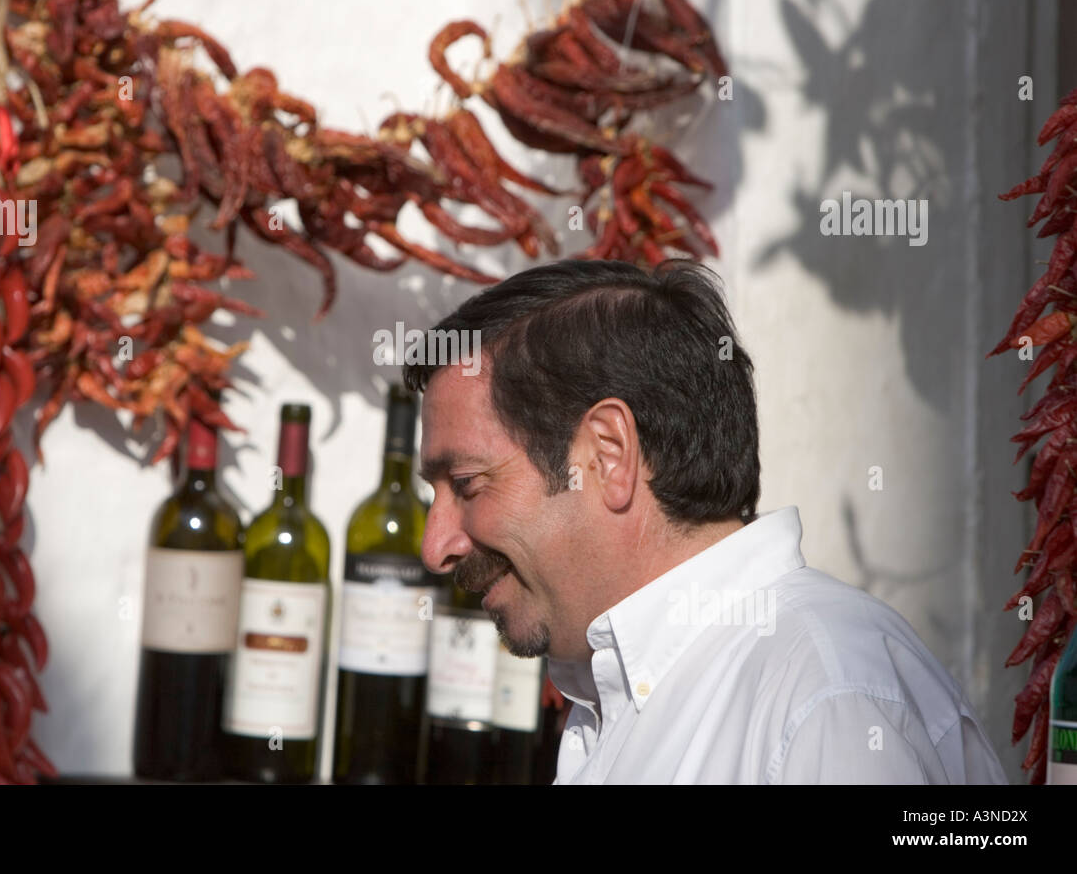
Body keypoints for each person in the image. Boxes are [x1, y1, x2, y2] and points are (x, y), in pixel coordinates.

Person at [404, 259, 1007, 784]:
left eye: (467, 485)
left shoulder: (824, 691)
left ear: (608, 455)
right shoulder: (617, 688)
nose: (437, 547)